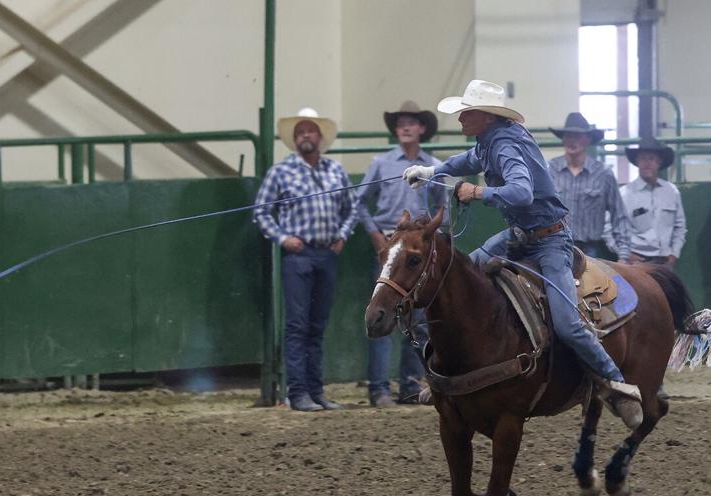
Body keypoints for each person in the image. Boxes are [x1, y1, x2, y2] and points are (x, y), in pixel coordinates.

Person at [402, 80, 642, 411]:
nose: (460, 119)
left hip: (550, 242)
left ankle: (615, 383)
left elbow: (521, 192)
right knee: (456, 282)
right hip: (518, 236)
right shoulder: (490, 141)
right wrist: (433, 170)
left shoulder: (505, 146)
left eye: (467, 112)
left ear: (486, 116)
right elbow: (470, 159)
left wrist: (477, 192)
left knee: (567, 324)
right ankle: (447, 374)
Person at [254, 108, 358, 412]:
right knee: (298, 325)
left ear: (319, 136)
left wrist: (343, 234)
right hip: (298, 256)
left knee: (317, 325)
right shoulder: (281, 172)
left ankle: (316, 391)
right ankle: (298, 392)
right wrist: (282, 238)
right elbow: (261, 211)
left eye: (310, 131)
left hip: (326, 254)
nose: (305, 136)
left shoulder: (335, 171)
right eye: (300, 132)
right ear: (295, 140)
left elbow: (351, 207)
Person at [355, 101, 444, 407]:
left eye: (411, 122)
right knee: (382, 312)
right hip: (389, 252)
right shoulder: (381, 164)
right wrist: (378, 237)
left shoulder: (432, 164)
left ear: (421, 129)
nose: (405, 127)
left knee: (417, 320)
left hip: (417, 254)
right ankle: (379, 389)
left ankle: (409, 384)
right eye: (401, 123)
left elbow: (440, 206)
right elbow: (360, 202)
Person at [548, 112, 631, 261]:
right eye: (569, 136)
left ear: (587, 140)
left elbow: (619, 216)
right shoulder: (550, 170)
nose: (572, 141)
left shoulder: (603, 174)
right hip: (554, 247)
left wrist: (624, 255)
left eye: (577, 137)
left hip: (588, 250)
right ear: (563, 139)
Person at [620, 138, 686, 266]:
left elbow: (680, 226)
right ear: (637, 161)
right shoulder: (625, 193)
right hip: (636, 261)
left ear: (659, 162)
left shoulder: (672, 191)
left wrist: (674, 253)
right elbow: (611, 229)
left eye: (652, 158)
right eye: (643, 158)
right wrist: (626, 253)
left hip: (665, 261)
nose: (647, 163)